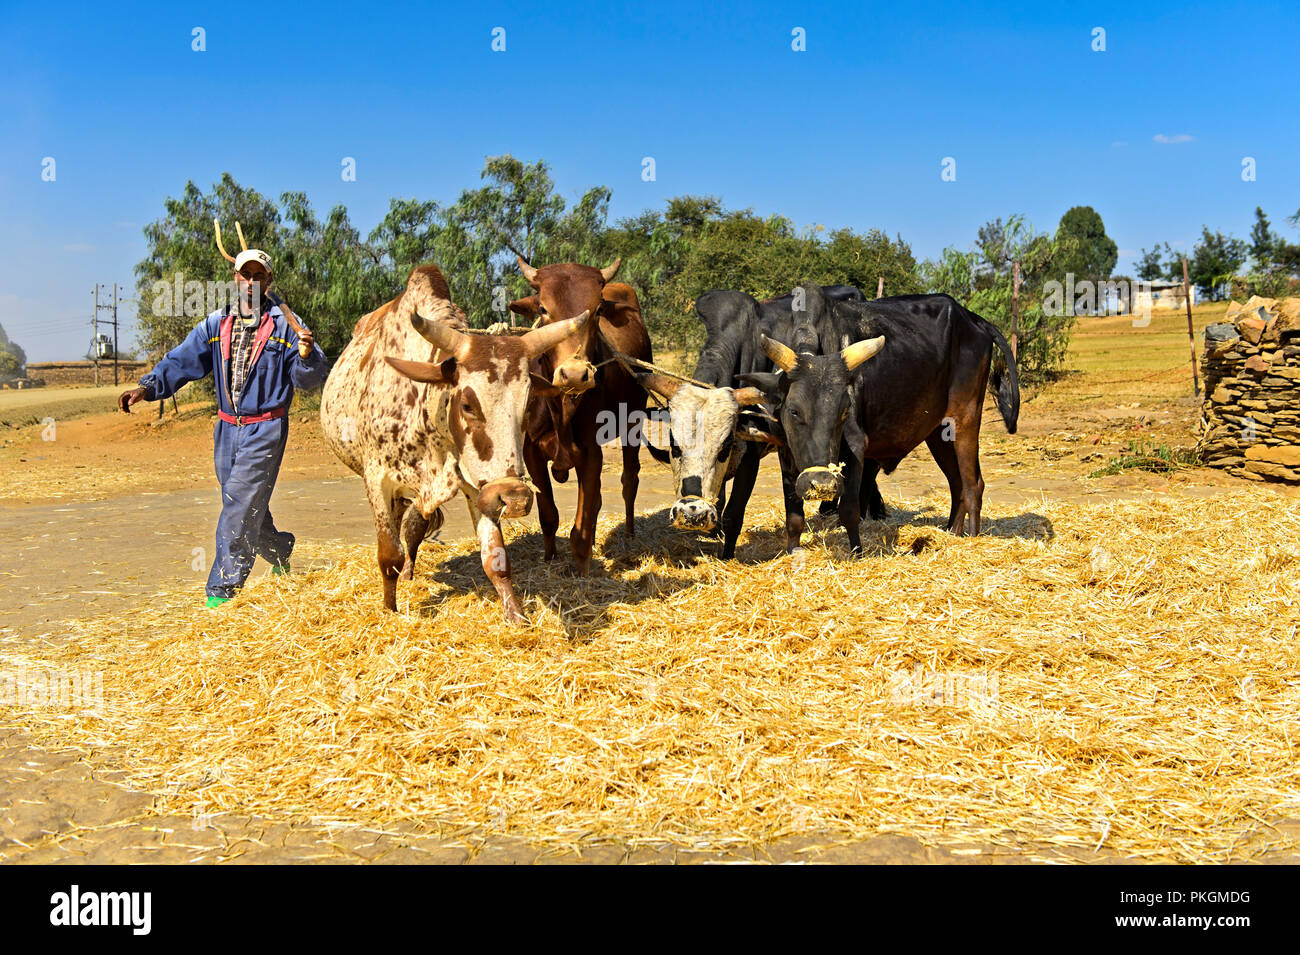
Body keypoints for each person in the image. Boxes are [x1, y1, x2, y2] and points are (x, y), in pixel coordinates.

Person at [118, 241, 329, 607]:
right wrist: (147, 388)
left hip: (265, 427)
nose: (251, 280)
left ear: (268, 281)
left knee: (237, 504)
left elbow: (307, 379)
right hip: (226, 429)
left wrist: (308, 355)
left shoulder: (286, 326)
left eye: (259, 275)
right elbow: (181, 361)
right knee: (244, 503)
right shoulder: (216, 324)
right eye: (245, 274)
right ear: (236, 277)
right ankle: (279, 549)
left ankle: (222, 591)